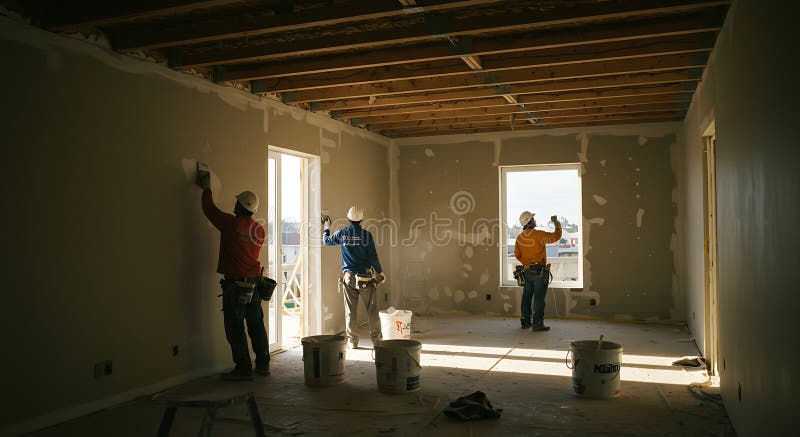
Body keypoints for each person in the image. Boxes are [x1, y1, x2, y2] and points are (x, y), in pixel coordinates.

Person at [197, 172, 269, 380]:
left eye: (236, 203)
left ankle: (244, 369)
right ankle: (263, 364)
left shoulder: (230, 224)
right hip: (254, 282)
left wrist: (206, 187)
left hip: (236, 285)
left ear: (239, 207)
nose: (234, 206)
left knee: (235, 327)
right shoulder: (259, 229)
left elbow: (209, 210)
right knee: (256, 324)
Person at [322, 206, 385, 349]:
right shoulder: (367, 235)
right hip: (366, 278)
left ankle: (353, 341)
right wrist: (380, 273)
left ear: (348, 219)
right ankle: (376, 341)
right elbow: (373, 257)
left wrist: (326, 227)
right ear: (362, 219)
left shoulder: (343, 233)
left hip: (349, 277)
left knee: (350, 311)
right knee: (372, 309)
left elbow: (326, 241)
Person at [514, 211, 562, 332]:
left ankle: (525, 322)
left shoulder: (519, 237)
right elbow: (556, 237)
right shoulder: (539, 235)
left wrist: (525, 263)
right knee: (539, 299)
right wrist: (557, 223)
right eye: (533, 218)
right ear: (530, 222)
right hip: (540, 273)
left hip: (527, 272)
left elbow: (517, 254)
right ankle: (538, 324)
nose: (535, 220)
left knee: (526, 297)